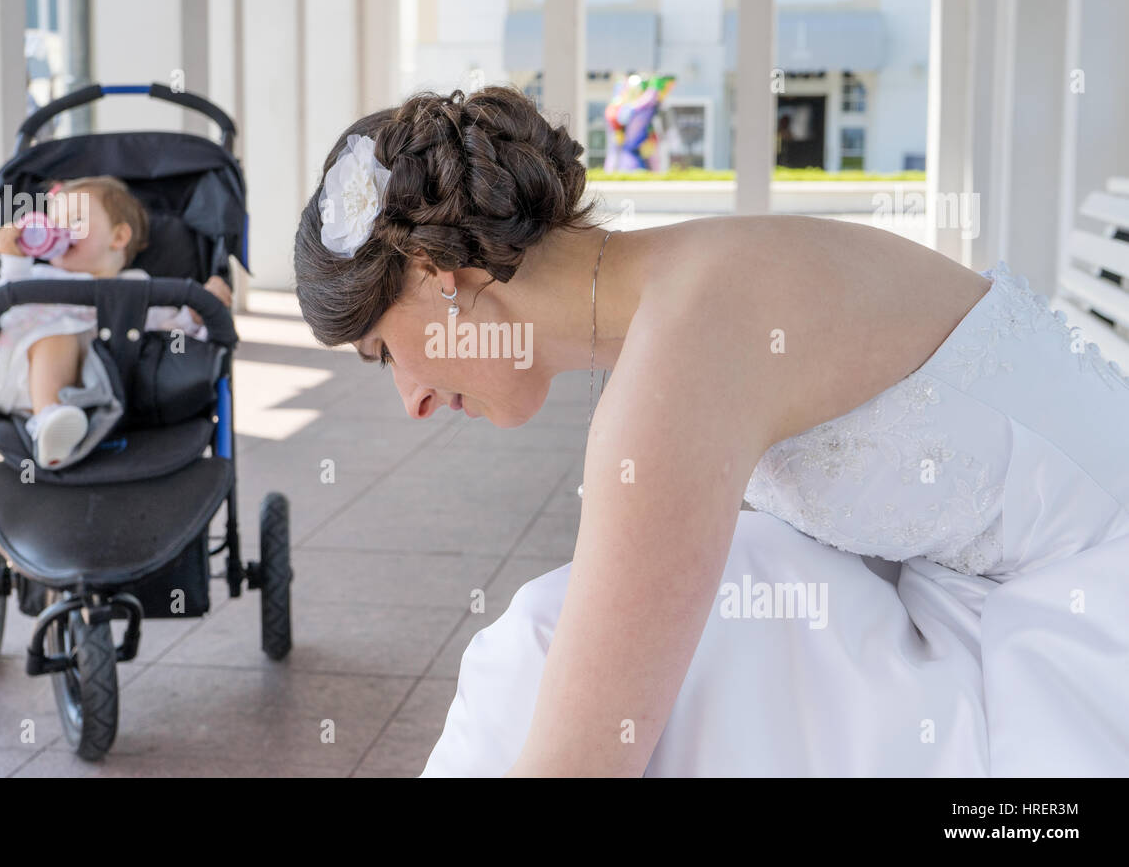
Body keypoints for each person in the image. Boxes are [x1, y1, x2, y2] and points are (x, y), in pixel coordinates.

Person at [293, 85, 1129, 777]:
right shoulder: (679, 284)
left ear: (441, 278)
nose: (411, 398)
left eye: (382, 353)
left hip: (1076, 623)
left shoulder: (678, 365)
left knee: (538, 657)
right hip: (964, 580)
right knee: (542, 638)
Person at [0, 175, 231, 467]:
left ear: (118, 237)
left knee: (146, 343)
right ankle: (47, 423)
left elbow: (172, 333)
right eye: (54, 223)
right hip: (25, 383)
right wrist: (14, 260)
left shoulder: (141, 289)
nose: (60, 230)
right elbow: (4, 309)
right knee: (60, 334)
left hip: (112, 393)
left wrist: (199, 310)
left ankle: (63, 429)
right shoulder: (40, 279)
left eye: (75, 220)